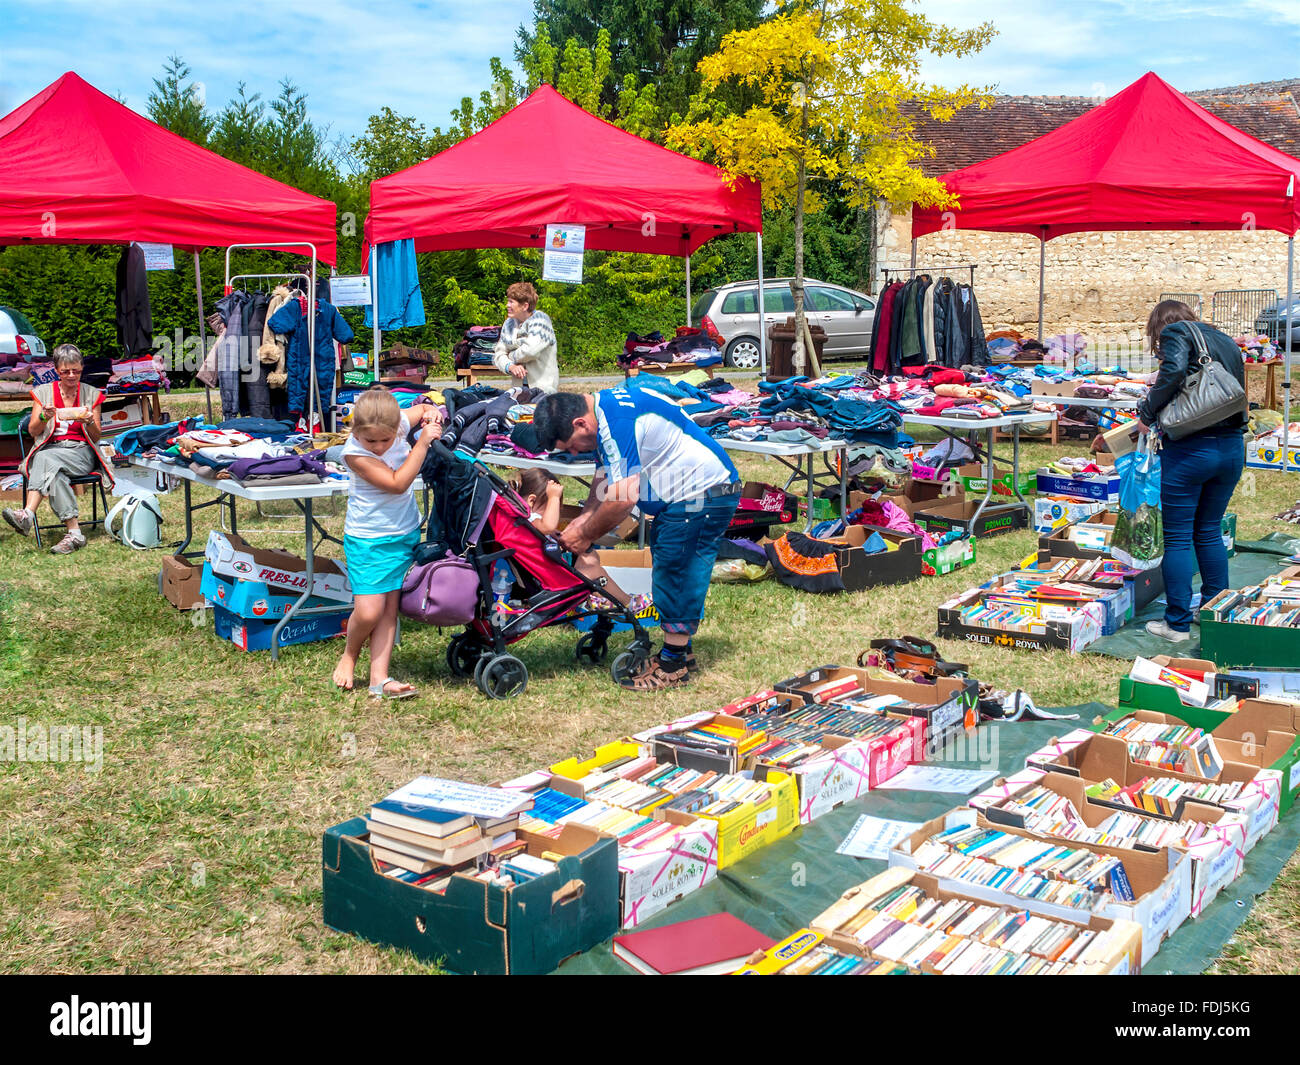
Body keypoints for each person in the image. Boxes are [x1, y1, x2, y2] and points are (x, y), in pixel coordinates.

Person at [533, 387, 741, 690]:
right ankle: (681, 651)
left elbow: (622, 499)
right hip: (692, 493)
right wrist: (583, 518)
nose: (575, 453)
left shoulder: (617, 420)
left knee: (677, 569)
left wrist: (586, 534)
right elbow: (606, 475)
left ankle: (673, 666)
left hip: (702, 492)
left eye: (572, 446)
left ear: (580, 423)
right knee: (670, 564)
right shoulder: (604, 412)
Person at [1135, 300, 1247, 643]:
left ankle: (1177, 624)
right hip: (1230, 448)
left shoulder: (1175, 333)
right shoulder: (1223, 340)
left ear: (1160, 327)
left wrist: (1148, 412)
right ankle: (1214, 611)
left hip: (1191, 450)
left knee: (1179, 537)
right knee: (1210, 530)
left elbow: (1172, 374)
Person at [333, 387, 443, 698]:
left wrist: (431, 411)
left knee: (387, 612)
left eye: (387, 439)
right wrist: (422, 443)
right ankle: (350, 654)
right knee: (368, 611)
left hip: (403, 534)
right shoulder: (355, 453)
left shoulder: (398, 425)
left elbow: (420, 410)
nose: (380, 446)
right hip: (368, 541)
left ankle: (378, 679)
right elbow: (397, 483)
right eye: (372, 440)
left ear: (396, 427)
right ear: (356, 431)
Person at [4, 344, 116, 554]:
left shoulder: (91, 394)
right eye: (65, 371)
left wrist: (90, 421)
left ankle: (27, 514)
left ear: (82, 368)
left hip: (81, 452)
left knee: (44, 459)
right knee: (55, 475)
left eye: (76, 370)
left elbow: (97, 436)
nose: (72, 375)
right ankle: (74, 533)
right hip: (52, 451)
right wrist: (44, 416)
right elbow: (33, 431)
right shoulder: (43, 393)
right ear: (56, 370)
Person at [512, 468, 633, 608]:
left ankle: (599, 600)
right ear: (532, 501)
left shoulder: (527, 521)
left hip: (551, 571)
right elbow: (547, 526)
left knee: (590, 556)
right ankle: (627, 602)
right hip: (551, 580)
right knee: (593, 570)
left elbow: (549, 531)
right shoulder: (530, 518)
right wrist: (554, 497)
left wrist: (560, 536)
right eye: (550, 508)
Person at [492, 282, 558, 393]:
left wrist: (510, 355)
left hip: (543, 390)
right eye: (508, 301)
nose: (507, 305)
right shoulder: (508, 324)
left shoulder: (541, 321)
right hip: (519, 389)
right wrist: (510, 366)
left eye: (511, 302)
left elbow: (530, 351)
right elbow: (498, 354)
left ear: (525, 306)